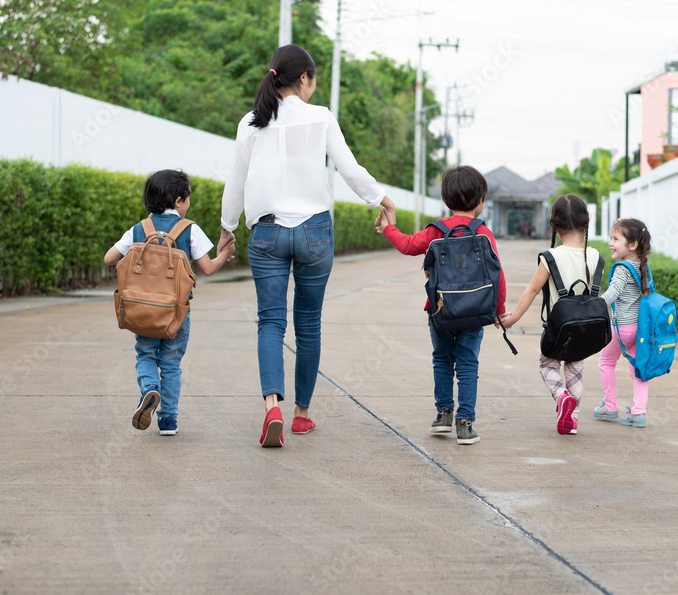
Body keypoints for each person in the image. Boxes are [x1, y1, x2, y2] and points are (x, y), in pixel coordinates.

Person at [219, 44, 396, 448]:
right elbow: (348, 167)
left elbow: (236, 181)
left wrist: (228, 228)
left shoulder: (251, 122)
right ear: (303, 80)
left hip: (267, 233)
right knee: (309, 323)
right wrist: (379, 199)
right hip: (315, 231)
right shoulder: (321, 117)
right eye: (313, 82)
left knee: (270, 321)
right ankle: (301, 416)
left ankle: (272, 410)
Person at [376, 166, 506, 445]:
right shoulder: (484, 232)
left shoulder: (437, 229)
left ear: (447, 200)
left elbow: (409, 245)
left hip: (439, 309)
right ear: (481, 201)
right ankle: (465, 423)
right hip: (475, 311)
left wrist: (388, 228)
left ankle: (443, 415)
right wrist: (499, 309)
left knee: (442, 359)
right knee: (468, 364)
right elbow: (497, 273)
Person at [104, 169, 235, 436]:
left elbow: (109, 259)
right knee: (172, 365)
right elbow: (208, 269)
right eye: (188, 198)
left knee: (145, 355)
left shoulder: (140, 229)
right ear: (178, 200)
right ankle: (168, 421)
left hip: (142, 311)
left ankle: (150, 388)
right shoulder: (190, 229)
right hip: (176, 313)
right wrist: (225, 254)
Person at [501, 194, 598, 435]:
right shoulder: (595, 256)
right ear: (587, 222)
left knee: (548, 365)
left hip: (558, 329)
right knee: (575, 371)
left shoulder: (550, 257)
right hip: (584, 328)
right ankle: (572, 420)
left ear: (554, 225)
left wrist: (512, 318)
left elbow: (532, 290)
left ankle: (561, 396)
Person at [594, 217, 651, 428]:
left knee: (606, 363)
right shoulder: (642, 267)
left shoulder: (622, 268)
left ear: (633, 244)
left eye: (616, 238)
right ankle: (639, 413)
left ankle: (609, 407)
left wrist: (593, 304)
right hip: (641, 329)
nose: (611, 243)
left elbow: (613, 292)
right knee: (638, 369)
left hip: (621, 329)